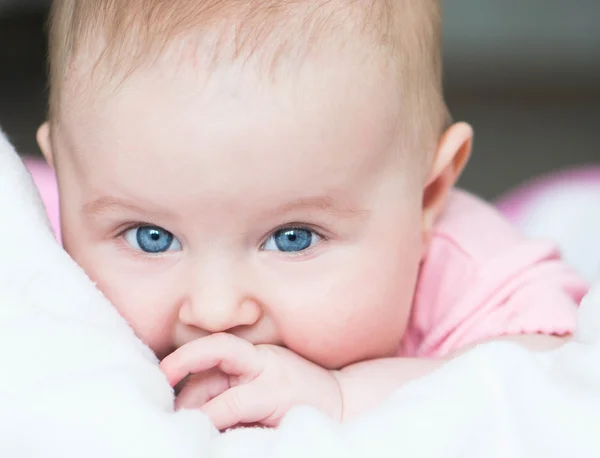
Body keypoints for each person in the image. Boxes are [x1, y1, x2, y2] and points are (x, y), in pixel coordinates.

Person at [33, 0, 588, 430]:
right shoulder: (36, 241)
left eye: (292, 237)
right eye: (151, 237)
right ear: (66, 181)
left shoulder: (469, 268)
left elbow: (561, 377)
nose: (215, 310)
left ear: (427, 194)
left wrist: (346, 397)